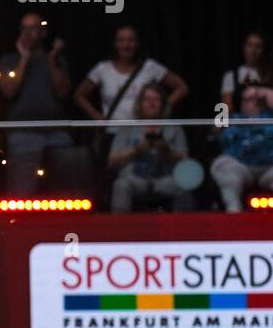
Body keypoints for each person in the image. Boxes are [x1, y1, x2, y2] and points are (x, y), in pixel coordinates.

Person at [75, 24, 188, 153]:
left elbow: (181, 87)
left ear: (137, 44)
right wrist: (98, 117)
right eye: (121, 40)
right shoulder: (102, 68)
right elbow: (79, 95)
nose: (126, 45)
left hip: (142, 133)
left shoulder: (149, 67)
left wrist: (161, 107)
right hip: (113, 132)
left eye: (130, 40)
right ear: (115, 44)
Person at [0, 12, 73, 195]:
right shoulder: (9, 60)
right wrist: (24, 58)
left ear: (43, 32)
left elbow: (63, 91)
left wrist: (53, 59)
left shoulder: (55, 60)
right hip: (23, 134)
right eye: (25, 28)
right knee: (22, 191)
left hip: (56, 133)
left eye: (33, 28)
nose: (29, 33)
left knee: (64, 190)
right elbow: (9, 91)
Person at [107, 84, 193, 212]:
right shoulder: (127, 128)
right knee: (121, 185)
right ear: (140, 103)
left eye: (156, 99)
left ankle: (182, 230)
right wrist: (136, 150)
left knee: (184, 186)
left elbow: (187, 163)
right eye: (147, 99)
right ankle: (120, 230)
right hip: (134, 180)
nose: (151, 103)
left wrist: (167, 151)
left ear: (163, 104)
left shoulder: (174, 128)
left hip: (166, 180)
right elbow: (111, 161)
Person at [210, 85, 273, 212]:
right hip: (241, 166)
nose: (254, 104)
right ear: (241, 102)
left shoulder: (270, 116)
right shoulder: (232, 119)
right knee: (223, 164)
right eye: (249, 100)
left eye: (258, 100)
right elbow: (218, 134)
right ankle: (234, 215)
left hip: (269, 167)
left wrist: (267, 93)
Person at [220, 30, 269, 113]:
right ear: (243, 47)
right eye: (250, 45)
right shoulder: (231, 75)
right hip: (240, 122)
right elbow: (227, 107)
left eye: (258, 46)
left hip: (265, 121)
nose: (253, 50)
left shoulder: (269, 74)